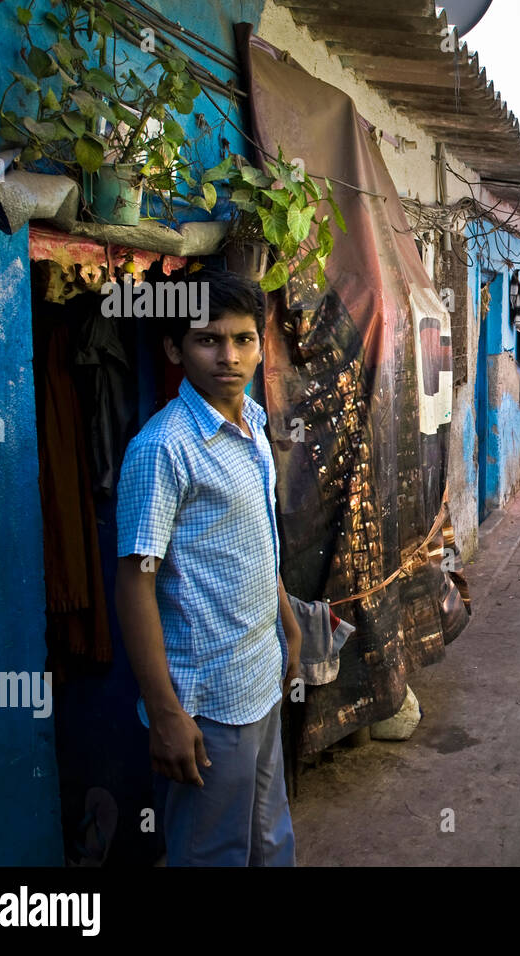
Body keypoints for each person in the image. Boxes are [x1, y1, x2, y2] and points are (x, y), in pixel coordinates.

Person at [114, 268, 302, 866]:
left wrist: (288, 622)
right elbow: (135, 583)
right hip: (207, 702)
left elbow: (254, 541)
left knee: (270, 843)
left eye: (244, 339)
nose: (230, 356)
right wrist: (167, 713)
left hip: (261, 676)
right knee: (211, 855)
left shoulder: (252, 421)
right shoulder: (162, 448)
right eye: (208, 339)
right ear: (174, 348)